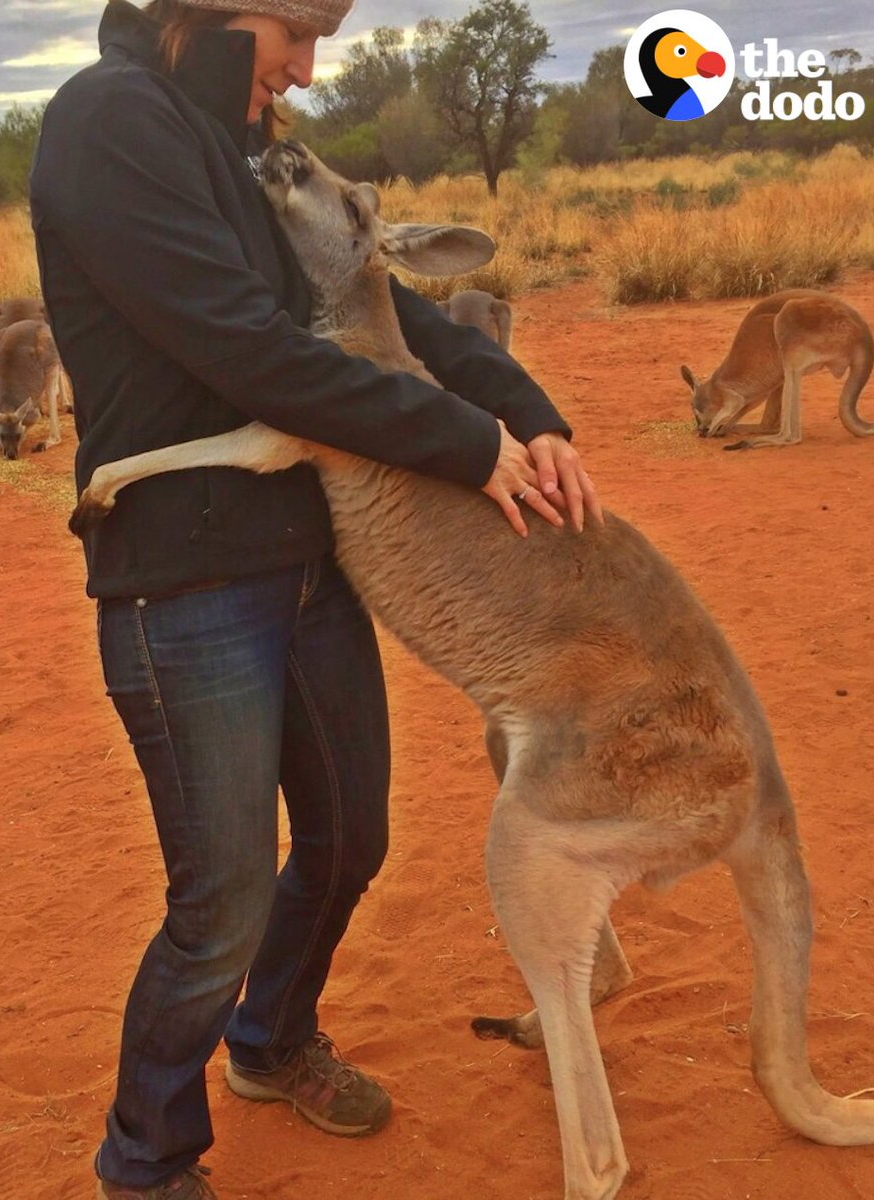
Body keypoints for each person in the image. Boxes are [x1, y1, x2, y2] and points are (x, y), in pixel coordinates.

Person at [29, 1, 603, 1196]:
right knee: (222, 903)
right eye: (296, 31)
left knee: (349, 840)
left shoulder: (242, 146)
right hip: (182, 583)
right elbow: (248, 350)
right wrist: (466, 446)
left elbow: (382, 304)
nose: (304, 69)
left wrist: (526, 412)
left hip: (306, 561)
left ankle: (272, 1039)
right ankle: (147, 1158)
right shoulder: (110, 125)